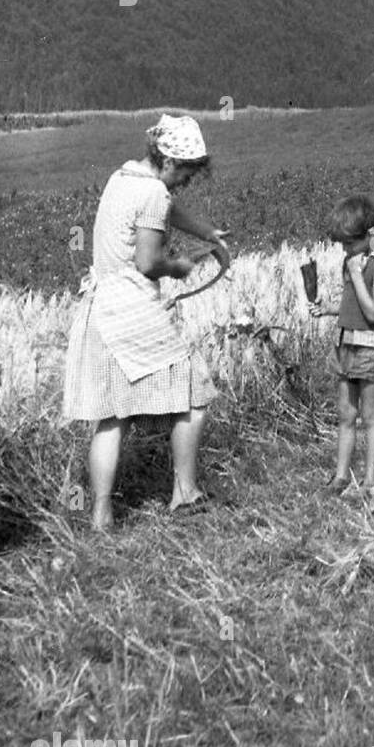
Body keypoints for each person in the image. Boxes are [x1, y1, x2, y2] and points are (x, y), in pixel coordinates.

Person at [63, 114, 229, 531]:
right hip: (133, 308)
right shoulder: (154, 192)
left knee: (112, 414)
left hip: (100, 309)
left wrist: (208, 231)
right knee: (193, 390)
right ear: (170, 162)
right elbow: (148, 262)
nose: (186, 183)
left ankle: (101, 514)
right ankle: (185, 494)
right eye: (187, 175)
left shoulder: (124, 176)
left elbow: (167, 210)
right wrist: (181, 266)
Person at [324, 195, 374, 494]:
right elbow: (353, 302)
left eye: (349, 244)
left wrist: (356, 274)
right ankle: (340, 477)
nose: (345, 251)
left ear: (369, 235)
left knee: (370, 416)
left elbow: (373, 312)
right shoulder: (354, 261)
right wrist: (329, 308)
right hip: (347, 343)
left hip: (370, 347)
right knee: (345, 413)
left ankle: (370, 480)